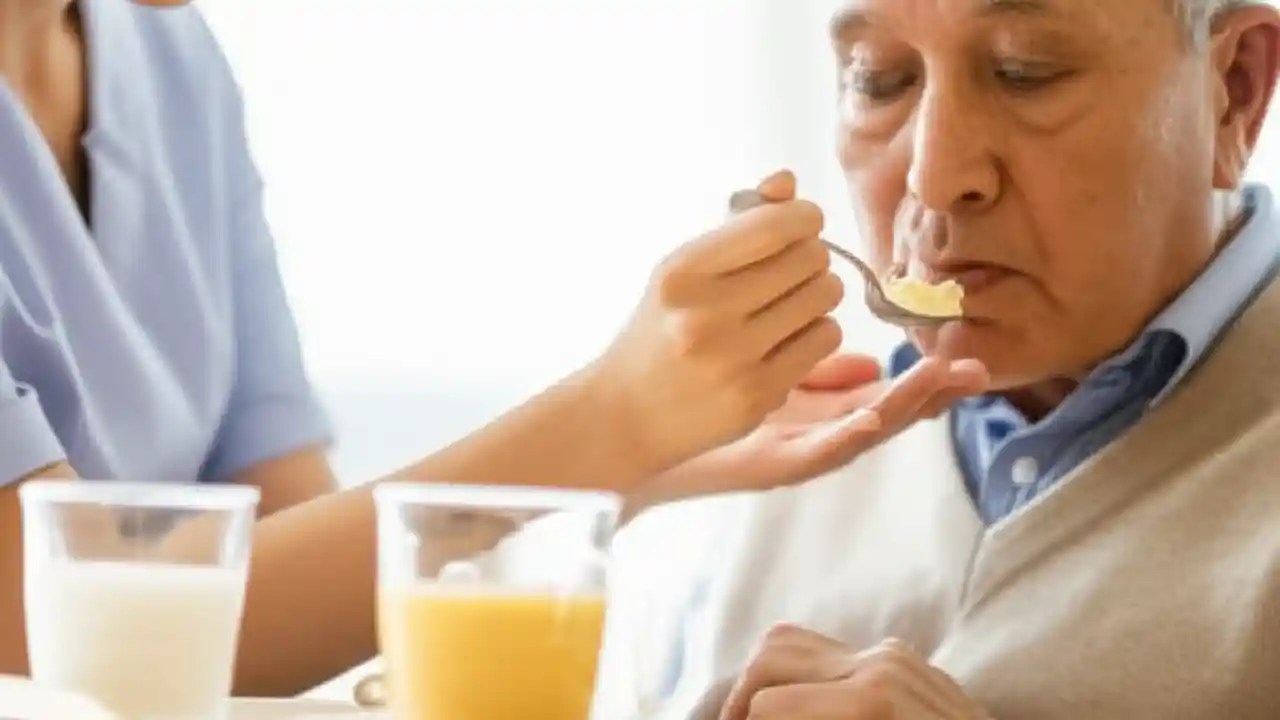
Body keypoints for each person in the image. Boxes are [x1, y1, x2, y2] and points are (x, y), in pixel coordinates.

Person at [0, 0, 992, 695]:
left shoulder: (169, 62)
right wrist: (613, 422)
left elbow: (301, 575)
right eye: (875, 80)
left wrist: (640, 458)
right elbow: (46, 642)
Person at [635, 0, 1280, 718]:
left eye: (1023, 72)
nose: (934, 177)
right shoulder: (768, 463)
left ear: (1236, 93)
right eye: (878, 80)